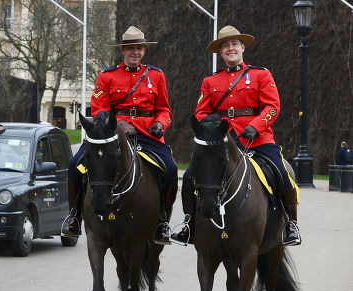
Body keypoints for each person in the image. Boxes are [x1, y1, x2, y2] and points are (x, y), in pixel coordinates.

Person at [171, 25, 301, 246]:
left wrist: (256, 125)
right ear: (220, 52)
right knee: (191, 177)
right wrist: (212, 128)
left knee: (282, 173)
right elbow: (201, 112)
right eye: (225, 46)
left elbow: (272, 106)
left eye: (234, 44)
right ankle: (190, 223)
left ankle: (291, 223)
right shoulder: (210, 81)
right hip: (222, 142)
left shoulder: (261, 74)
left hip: (257, 140)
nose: (230, 48)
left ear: (242, 47)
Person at [62, 25, 178, 244]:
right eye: (131, 48)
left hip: (147, 134)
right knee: (75, 164)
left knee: (171, 169)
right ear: (122, 51)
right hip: (112, 134)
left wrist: (161, 124)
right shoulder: (107, 76)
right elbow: (99, 110)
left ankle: (162, 221)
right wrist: (120, 125)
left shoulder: (156, 75)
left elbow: (165, 109)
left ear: (144, 50)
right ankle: (74, 218)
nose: (136, 52)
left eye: (140, 48)